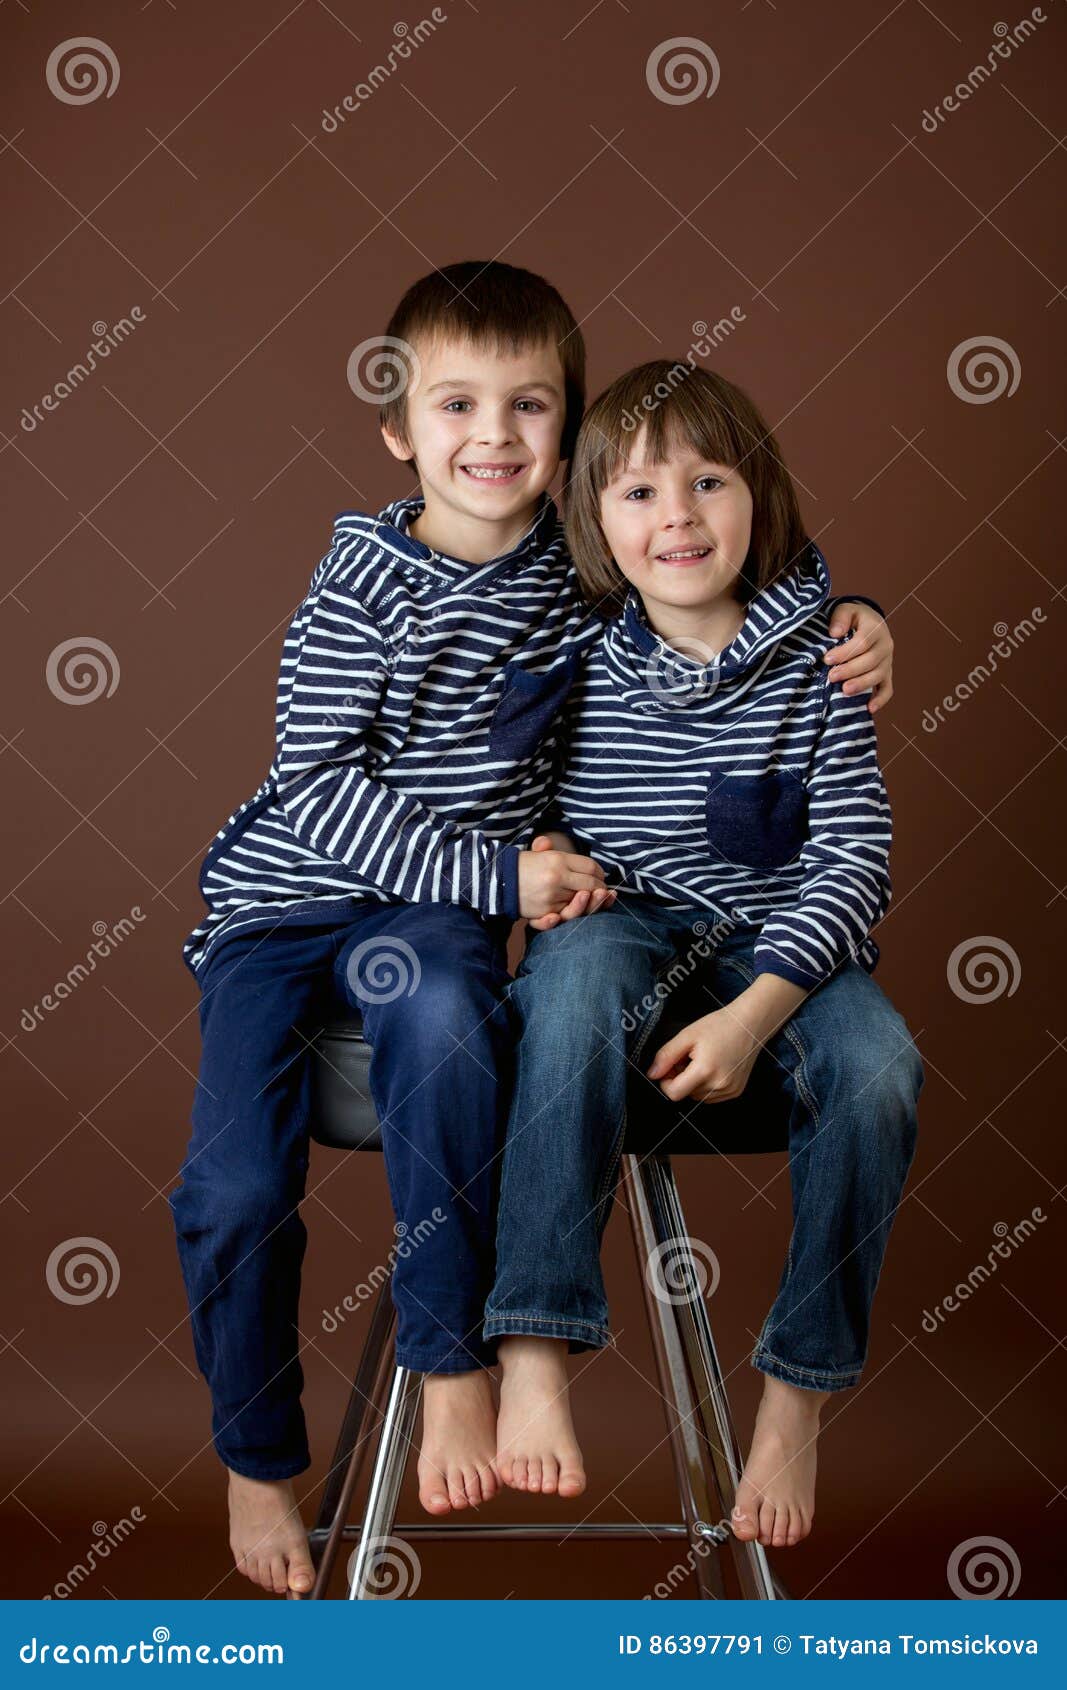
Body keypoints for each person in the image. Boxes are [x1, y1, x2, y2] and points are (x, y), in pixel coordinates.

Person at [170, 259, 890, 1595]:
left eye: (528, 406)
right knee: (232, 1191)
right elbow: (316, 790)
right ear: (398, 430)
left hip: (439, 917)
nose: (491, 435)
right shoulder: (354, 588)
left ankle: (455, 1364)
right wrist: (504, 880)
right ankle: (254, 1455)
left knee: (452, 1023)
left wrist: (857, 618)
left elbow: (713, 572)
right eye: (455, 405)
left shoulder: (583, 567)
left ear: (567, 438)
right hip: (290, 903)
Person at [483, 360, 922, 1551]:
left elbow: (851, 864)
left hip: (782, 953)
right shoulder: (571, 649)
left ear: (757, 495)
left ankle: (796, 1392)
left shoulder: (824, 659)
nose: (674, 515)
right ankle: (534, 1339)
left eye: (706, 482)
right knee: (572, 981)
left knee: (878, 1069)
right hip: (618, 927)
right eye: (636, 492)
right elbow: (485, 779)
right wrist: (536, 851)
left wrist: (751, 1015)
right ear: (593, 521)